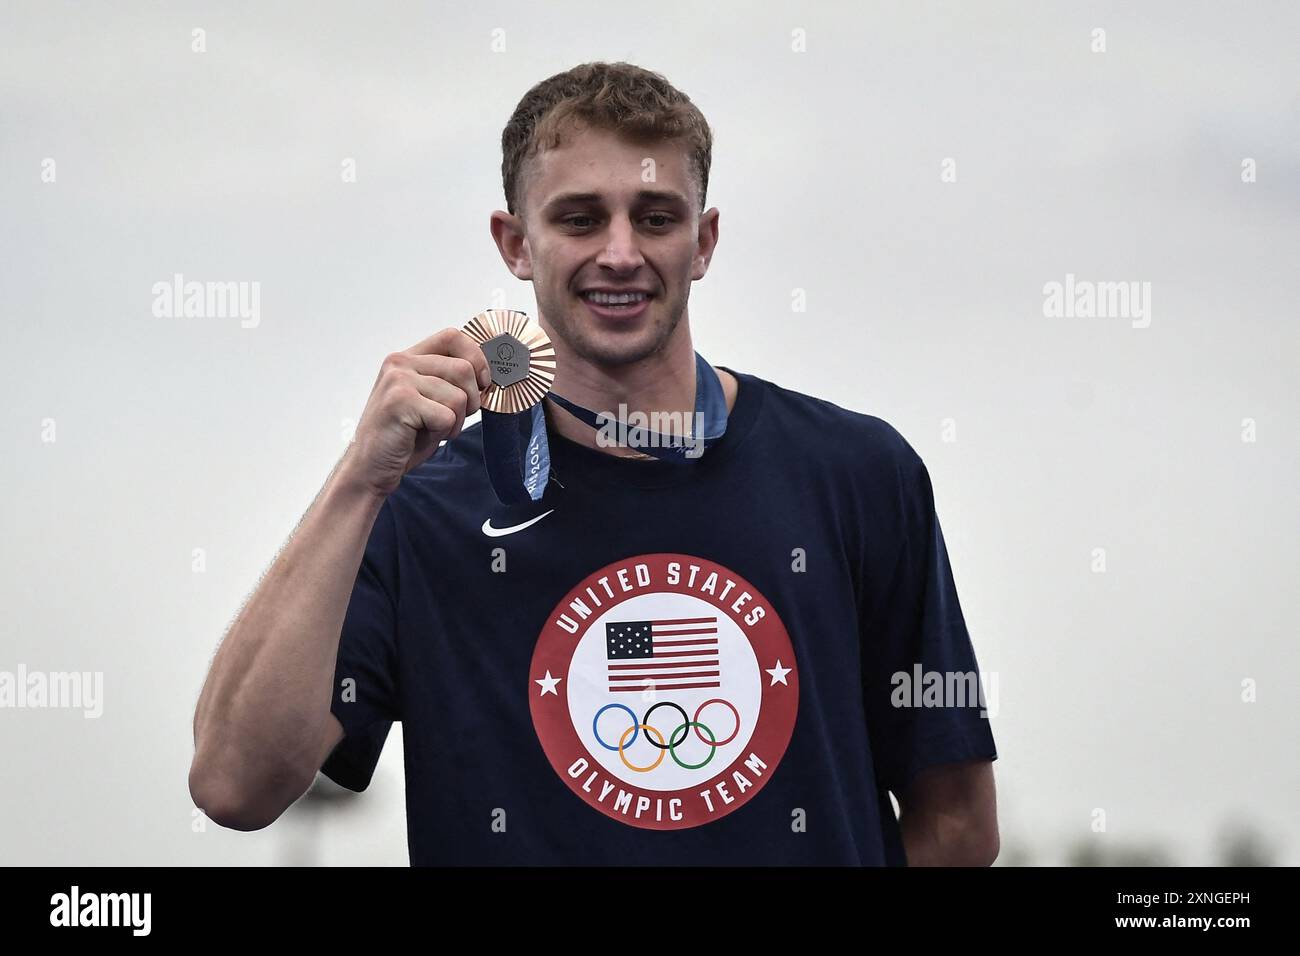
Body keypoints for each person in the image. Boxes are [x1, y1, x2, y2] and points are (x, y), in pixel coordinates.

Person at [189, 61, 999, 866]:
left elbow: (957, 829)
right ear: (515, 243)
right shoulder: (416, 510)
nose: (620, 253)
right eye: (579, 219)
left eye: (655, 218)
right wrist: (359, 478)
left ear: (703, 241)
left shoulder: (857, 475)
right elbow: (234, 785)